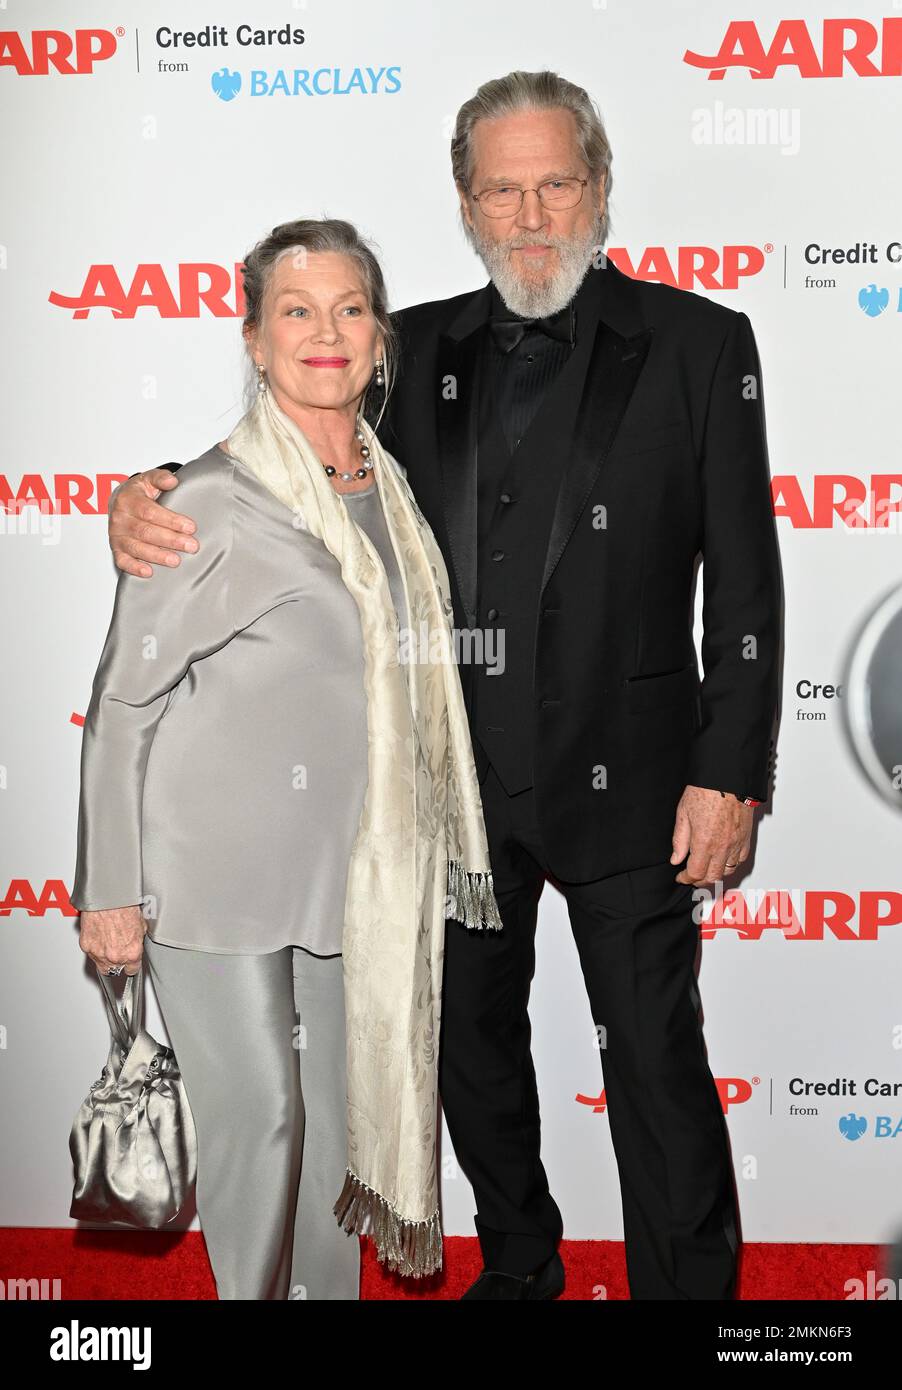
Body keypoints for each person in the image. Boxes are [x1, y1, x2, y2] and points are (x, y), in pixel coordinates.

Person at [104, 71, 782, 1301]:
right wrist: (147, 485)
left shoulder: (701, 345)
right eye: (501, 190)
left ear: (598, 189)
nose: (530, 216)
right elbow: (285, 445)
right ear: (466, 205)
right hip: (450, 788)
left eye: (555, 184)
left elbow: (744, 583)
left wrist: (728, 772)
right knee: (470, 1053)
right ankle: (518, 1268)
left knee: (654, 1058)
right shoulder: (415, 348)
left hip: (635, 777)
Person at [72, 217, 500, 1301]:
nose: (325, 333)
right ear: (254, 341)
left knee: (332, 1140)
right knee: (261, 1120)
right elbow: (123, 700)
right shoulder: (208, 500)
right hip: (210, 874)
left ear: (379, 337)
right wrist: (109, 890)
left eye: (349, 309)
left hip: (353, 876)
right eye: (295, 312)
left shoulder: (393, 493)